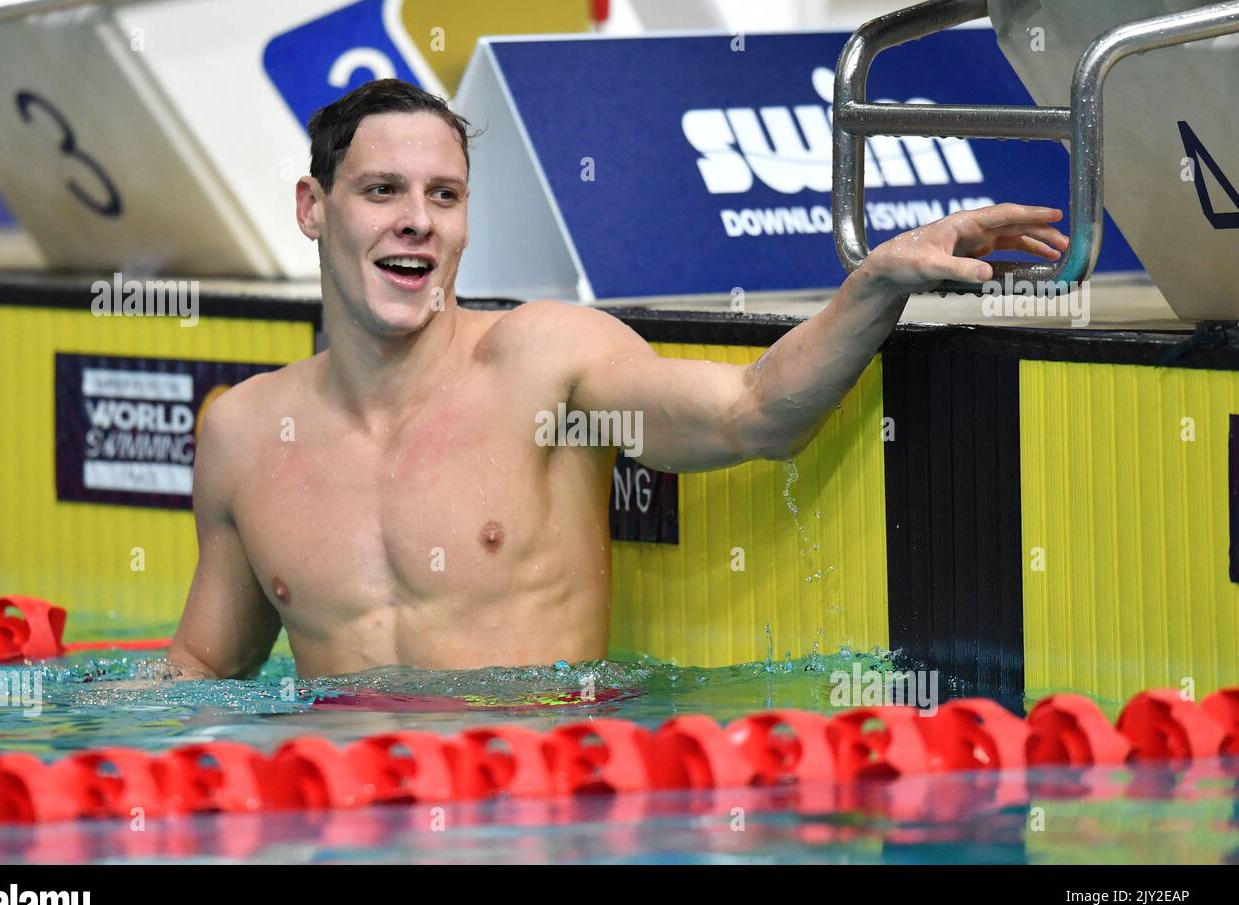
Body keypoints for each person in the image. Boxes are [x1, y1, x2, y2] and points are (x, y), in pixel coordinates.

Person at [167, 79, 1067, 679]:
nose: (417, 222)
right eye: (381, 192)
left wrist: (874, 283)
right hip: (341, 827)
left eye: (443, 196)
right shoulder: (244, 433)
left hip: (541, 814)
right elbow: (207, 676)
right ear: (312, 208)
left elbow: (755, 414)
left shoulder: (542, 363)